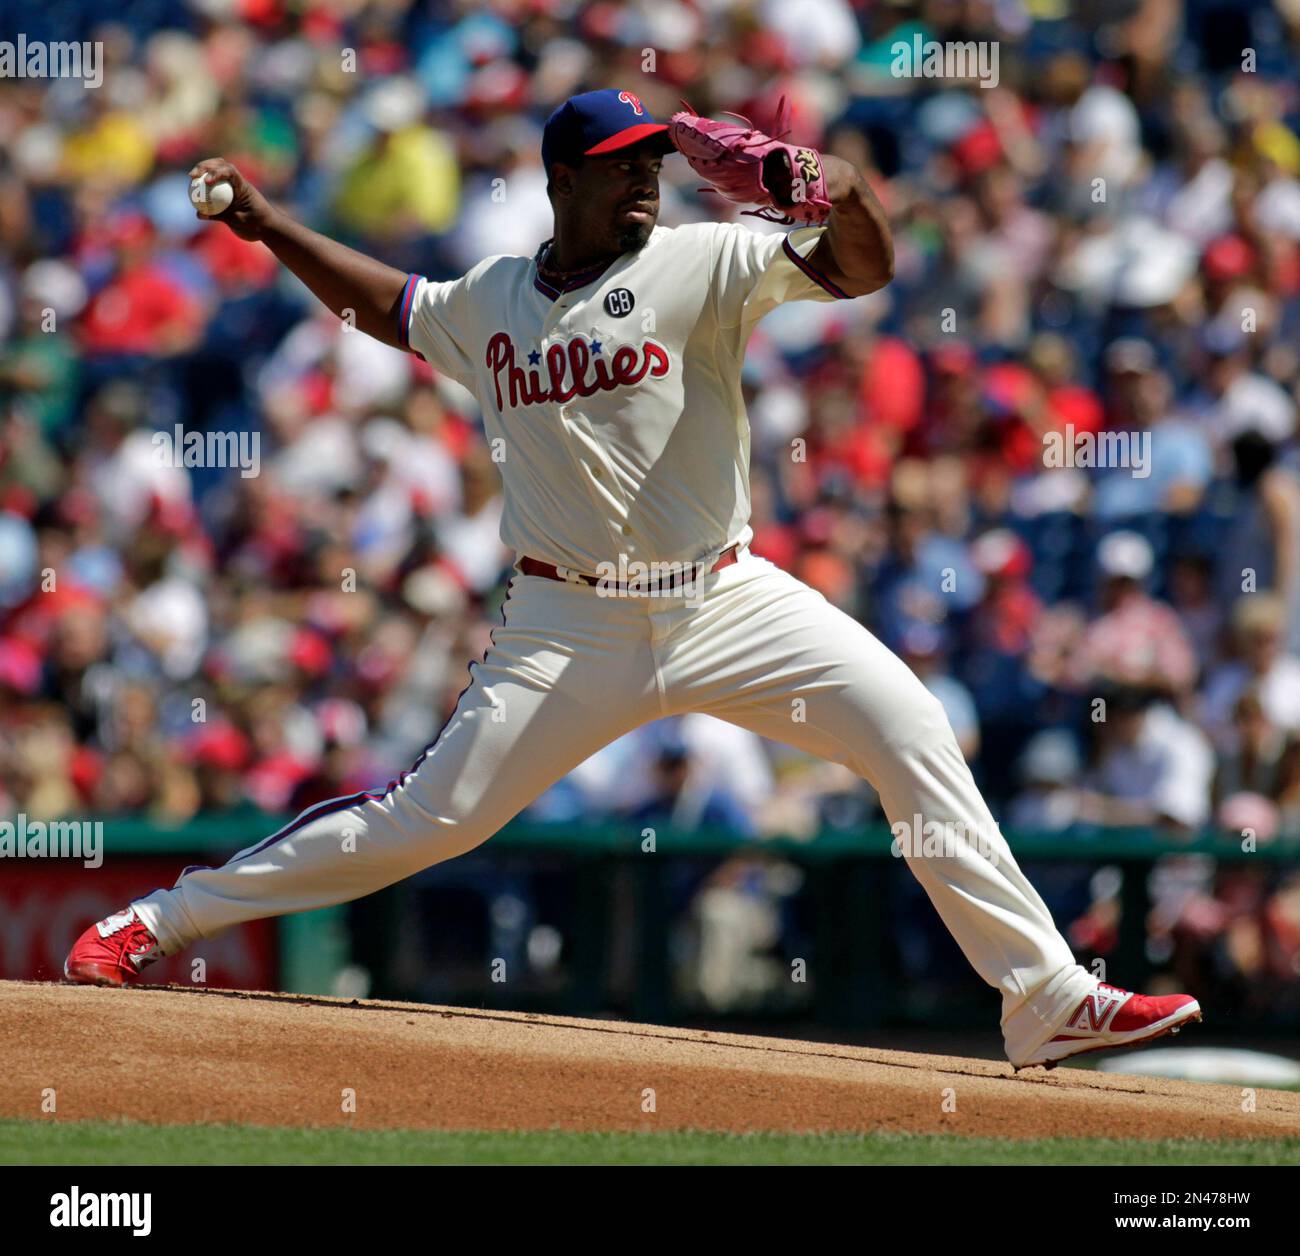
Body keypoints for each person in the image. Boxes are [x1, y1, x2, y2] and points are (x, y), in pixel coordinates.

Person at [64, 89, 1199, 1069]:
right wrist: (267, 227)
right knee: (421, 822)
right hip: (565, 624)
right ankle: (159, 919)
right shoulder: (494, 297)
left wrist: (829, 181)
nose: (645, 184)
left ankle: (1045, 998)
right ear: (563, 179)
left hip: (725, 597)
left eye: (653, 162)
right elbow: (393, 308)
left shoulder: (699, 260)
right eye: (620, 170)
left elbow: (865, 268)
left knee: (907, 724)